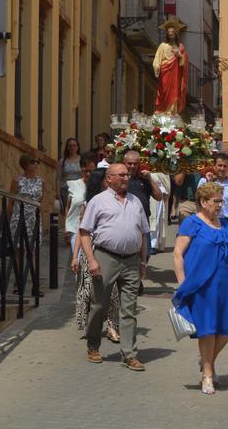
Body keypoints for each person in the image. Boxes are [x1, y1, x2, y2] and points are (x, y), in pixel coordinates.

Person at [78, 163, 150, 371]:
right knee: (99, 305)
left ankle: (129, 354)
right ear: (109, 178)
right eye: (121, 175)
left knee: (129, 309)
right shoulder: (98, 202)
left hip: (131, 260)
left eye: (127, 175)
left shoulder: (136, 202)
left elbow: (143, 233)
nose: (126, 178)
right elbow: (84, 232)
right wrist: (91, 260)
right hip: (105, 257)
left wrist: (143, 261)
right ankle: (93, 345)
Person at [172, 182, 228, 395]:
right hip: (202, 285)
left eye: (221, 201)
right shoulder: (192, 223)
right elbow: (177, 254)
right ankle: (207, 374)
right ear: (202, 202)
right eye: (215, 201)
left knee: (227, 329)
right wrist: (182, 283)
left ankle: (206, 361)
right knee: (208, 330)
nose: (219, 205)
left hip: (227, 284)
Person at [71, 154, 121, 342]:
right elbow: (81, 232)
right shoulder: (89, 204)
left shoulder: (118, 201)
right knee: (89, 291)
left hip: (109, 252)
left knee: (113, 292)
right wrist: (75, 256)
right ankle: (91, 326)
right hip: (89, 252)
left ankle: (112, 326)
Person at [8, 153, 45, 296]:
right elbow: (11, 201)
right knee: (19, 252)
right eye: (32, 161)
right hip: (19, 217)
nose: (35, 164)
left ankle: (36, 284)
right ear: (25, 164)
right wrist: (8, 220)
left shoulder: (41, 182)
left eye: (37, 162)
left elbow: (40, 201)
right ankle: (18, 282)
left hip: (34, 219)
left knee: (34, 252)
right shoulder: (17, 180)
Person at [122, 149, 162, 256]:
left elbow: (159, 197)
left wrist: (150, 179)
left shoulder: (144, 178)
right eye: (129, 163)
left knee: (146, 253)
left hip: (143, 222)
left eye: (135, 164)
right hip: (125, 221)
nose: (132, 166)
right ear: (124, 163)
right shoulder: (120, 179)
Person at [197, 153, 228, 224]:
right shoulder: (204, 181)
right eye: (219, 165)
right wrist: (209, 183)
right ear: (214, 166)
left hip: (225, 222)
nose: (222, 168)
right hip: (206, 221)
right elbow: (199, 200)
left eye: (225, 166)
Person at [153, 16, 188, 114]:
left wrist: (180, 56)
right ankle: (162, 110)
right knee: (163, 91)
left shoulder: (180, 47)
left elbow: (184, 62)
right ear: (167, 35)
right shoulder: (163, 46)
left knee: (175, 92)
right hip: (165, 72)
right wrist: (157, 67)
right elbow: (157, 58)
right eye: (169, 34)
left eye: (172, 33)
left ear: (176, 34)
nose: (171, 35)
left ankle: (172, 111)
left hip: (175, 74)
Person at [57, 137, 83, 214]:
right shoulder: (62, 161)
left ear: (77, 147)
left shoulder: (82, 160)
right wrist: (57, 192)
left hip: (79, 190)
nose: (72, 147)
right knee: (67, 212)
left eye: (74, 145)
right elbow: (58, 177)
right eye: (70, 145)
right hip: (66, 190)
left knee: (78, 211)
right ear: (67, 147)